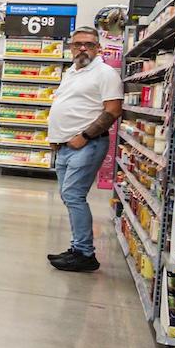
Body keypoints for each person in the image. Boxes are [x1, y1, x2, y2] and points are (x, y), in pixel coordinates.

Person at [46, 26, 123, 272]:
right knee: (69, 196)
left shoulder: (105, 73)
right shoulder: (72, 72)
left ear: (98, 48)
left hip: (87, 144)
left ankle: (84, 253)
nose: (82, 48)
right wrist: (56, 137)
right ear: (71, 47)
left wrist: (85, 136)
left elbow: (113, 110)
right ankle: (78, 247)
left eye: (88, 44)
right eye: (77, 44)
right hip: (65, 146)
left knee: (73, 195)